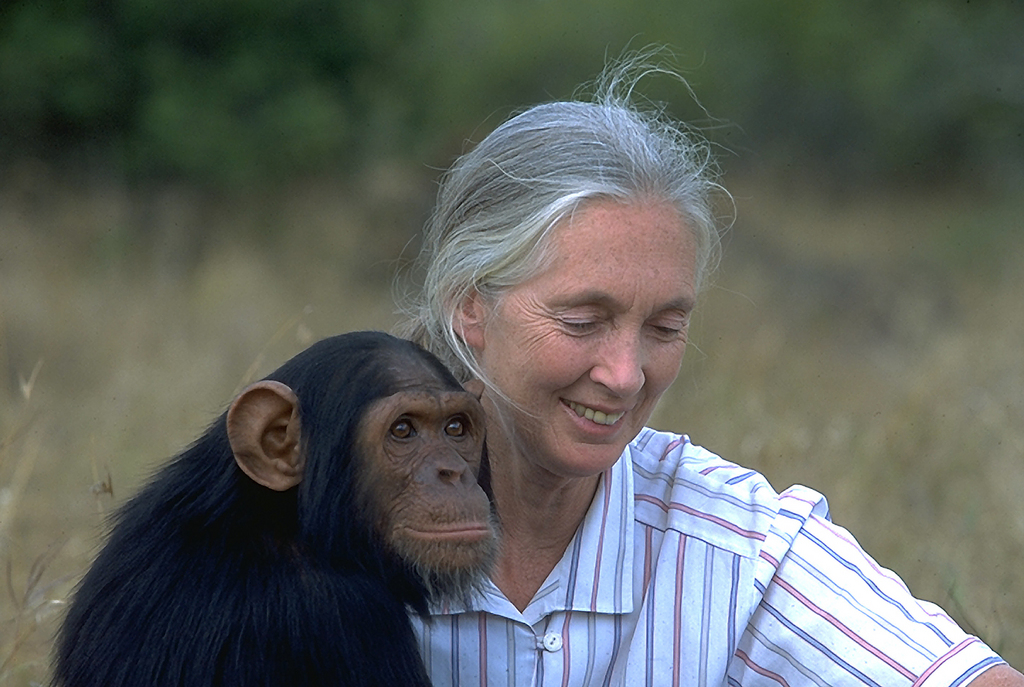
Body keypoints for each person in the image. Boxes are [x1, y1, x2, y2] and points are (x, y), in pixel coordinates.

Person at [396, 55, 1023, 687]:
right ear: (470, 305)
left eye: (665, 328)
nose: (626, 375)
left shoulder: (735, 544)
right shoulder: (334, 525)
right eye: (583, 320)